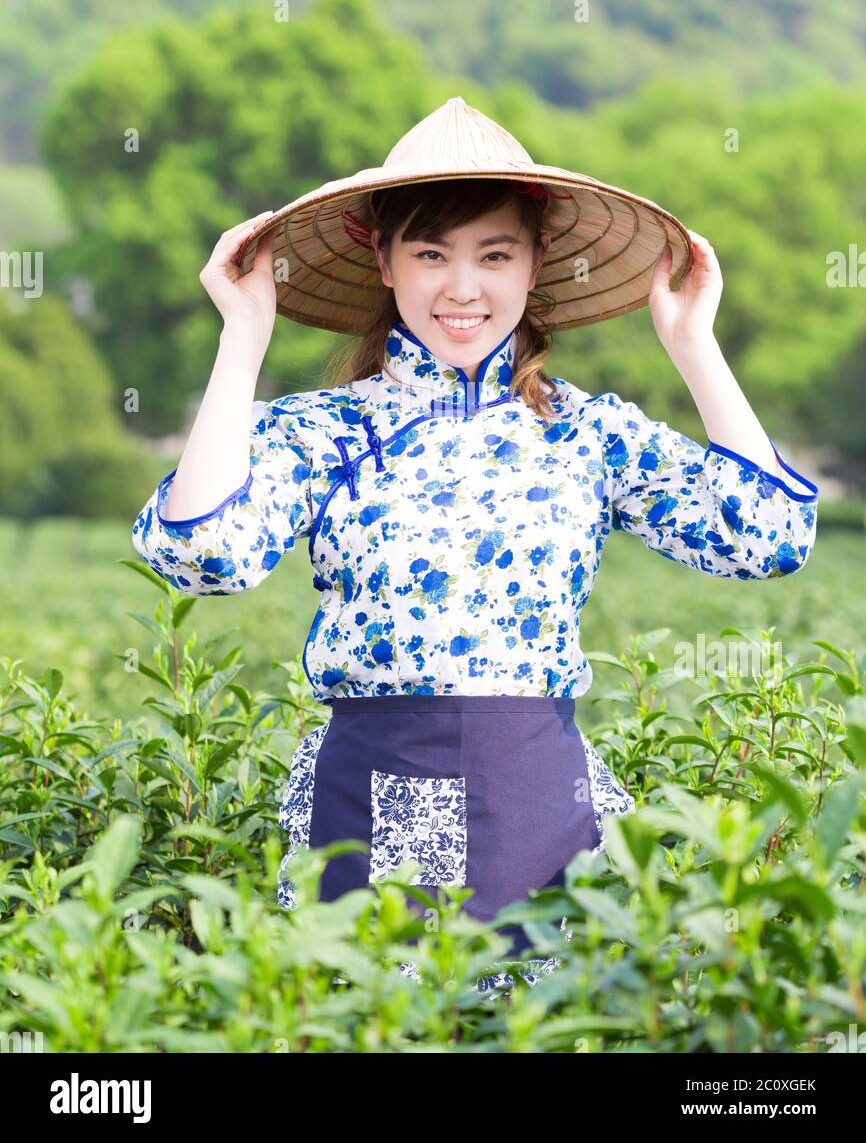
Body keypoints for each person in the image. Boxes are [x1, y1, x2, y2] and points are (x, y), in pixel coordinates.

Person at [131, 102, 819, 997]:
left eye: (495, 254)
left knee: (545, 1025)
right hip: (376, 790)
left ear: (535, 264)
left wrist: (695, 346)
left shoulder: (584, 432)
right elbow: (204, 557)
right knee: (397, 1019)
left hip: (540, 790)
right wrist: (242, 337)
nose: (464, 288)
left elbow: (768, 537)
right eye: (430, 254)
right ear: (383, 261)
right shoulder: (328, 431)